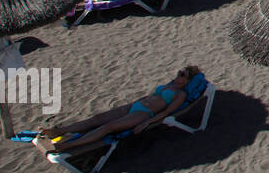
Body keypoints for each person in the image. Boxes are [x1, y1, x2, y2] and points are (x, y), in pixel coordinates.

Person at [33, 66, 201, 154]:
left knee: (108, 128)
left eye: (183, 76)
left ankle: (69, 145)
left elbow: (165, 113)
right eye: (180, 73)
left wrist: (147, 122)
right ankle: (58, 131)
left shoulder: (180, 95)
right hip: (135, 105)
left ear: (188, 81)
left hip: (142, 114)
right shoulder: (171, 84)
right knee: (97, 118)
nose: (179, 77)